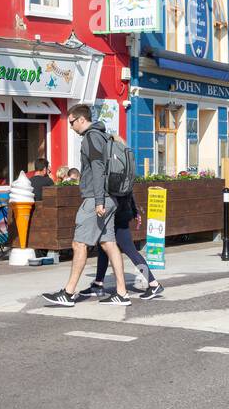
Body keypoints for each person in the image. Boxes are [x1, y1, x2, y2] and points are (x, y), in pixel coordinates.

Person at [43, 104, 131, 306]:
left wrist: (98, 200)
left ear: (81, 120)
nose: (71, 127)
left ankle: (69, 293)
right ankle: (122, 293)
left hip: (95, 199)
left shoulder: (91, 137)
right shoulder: (104, 136)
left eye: (72, 122)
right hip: (110, 198)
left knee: (79, 243)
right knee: (108, 243)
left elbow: (98, 169)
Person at [77, 186, 164, 300]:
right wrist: (134, 211)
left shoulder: (112, 172)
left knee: (130, 251)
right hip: (121, 212)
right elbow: (129, 192)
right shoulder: (123, 173)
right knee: (103, 248)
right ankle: (98, 284)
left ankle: (153, 283)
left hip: (117, 215)